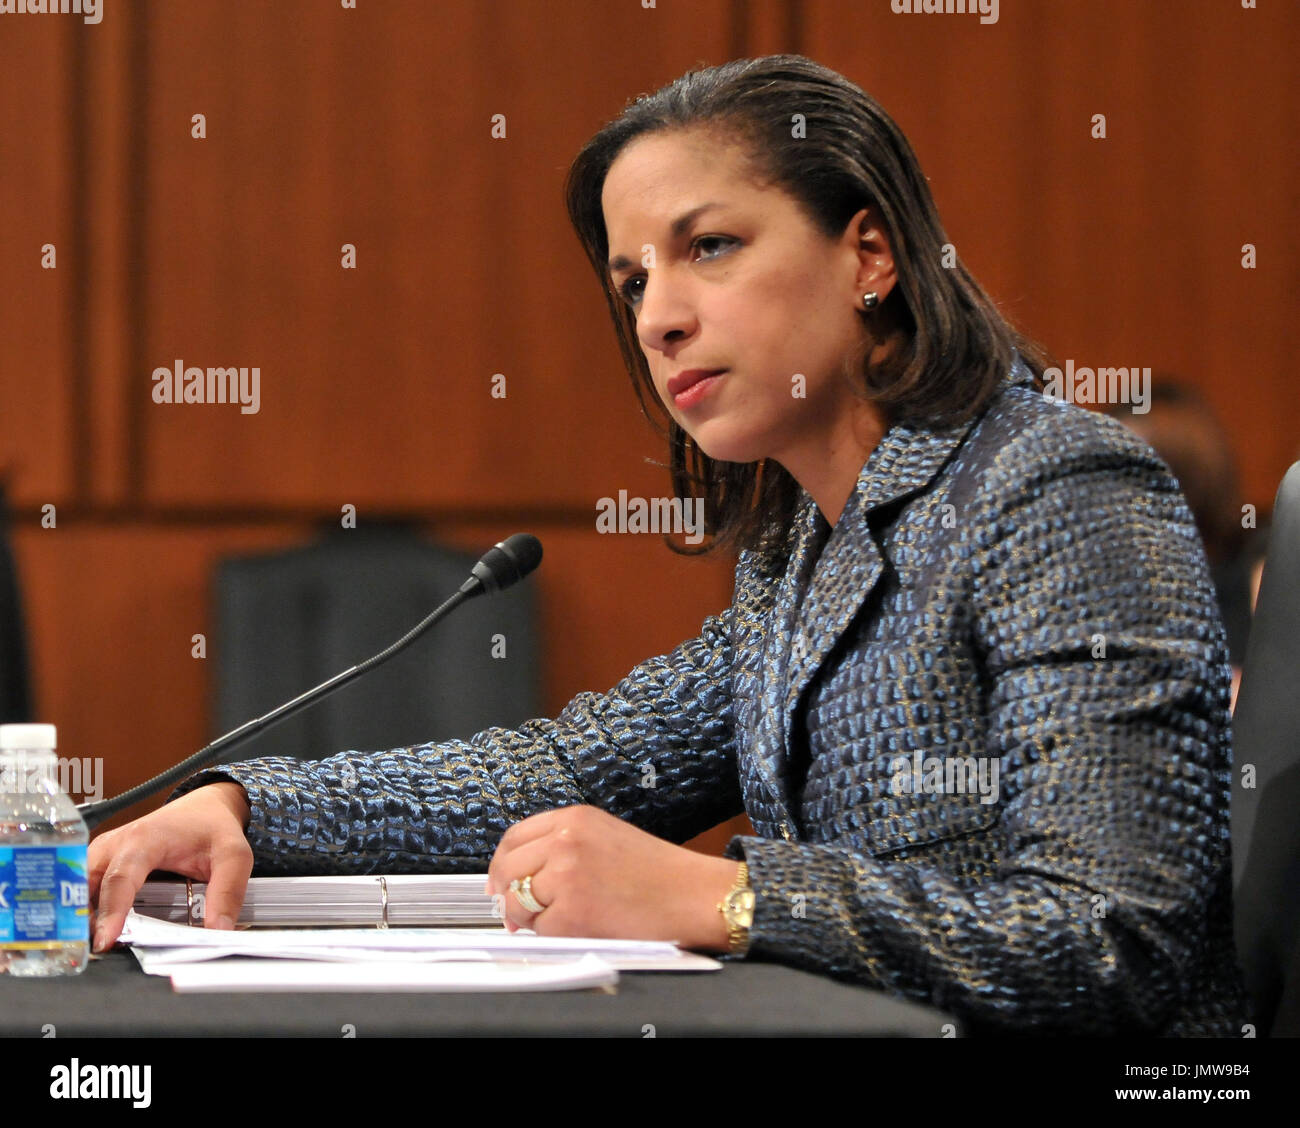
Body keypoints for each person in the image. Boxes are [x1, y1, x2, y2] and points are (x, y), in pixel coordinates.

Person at [88, 54, 1250, 1035]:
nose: (656, 317)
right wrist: (248, 807)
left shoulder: (1055, 488)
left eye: (710, 247)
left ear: (869, 256)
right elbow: (569, 773)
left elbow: (1113, 940)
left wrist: (725, 899)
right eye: (632, 279)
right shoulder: (802, 549)